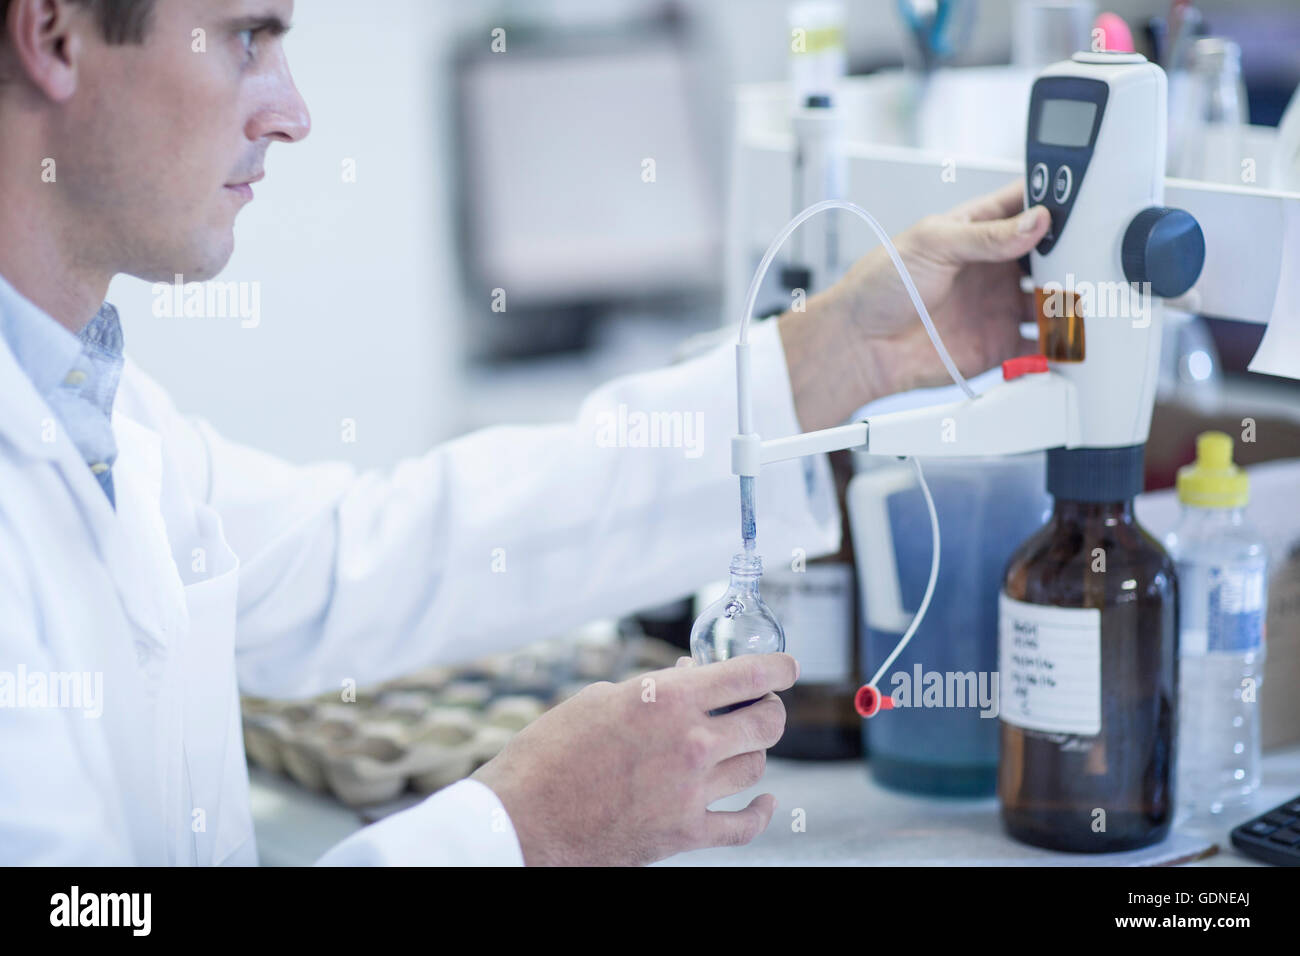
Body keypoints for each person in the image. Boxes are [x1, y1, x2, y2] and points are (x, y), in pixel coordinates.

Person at [0, 0, 1050, 866]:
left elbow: (361, 552)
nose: (293, 113)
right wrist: (519, 827)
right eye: (247, 37)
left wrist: (840, 358)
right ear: (51, 35)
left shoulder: (95, 401)